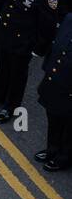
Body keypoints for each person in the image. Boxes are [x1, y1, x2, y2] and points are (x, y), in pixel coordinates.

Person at [36, 13, 72, 171]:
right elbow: (56, 45)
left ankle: (64, 157)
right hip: (56, 79)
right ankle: (52, 149)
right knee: (53, 116)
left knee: (69, 125)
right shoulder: (69, 18)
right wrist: (48, 70)